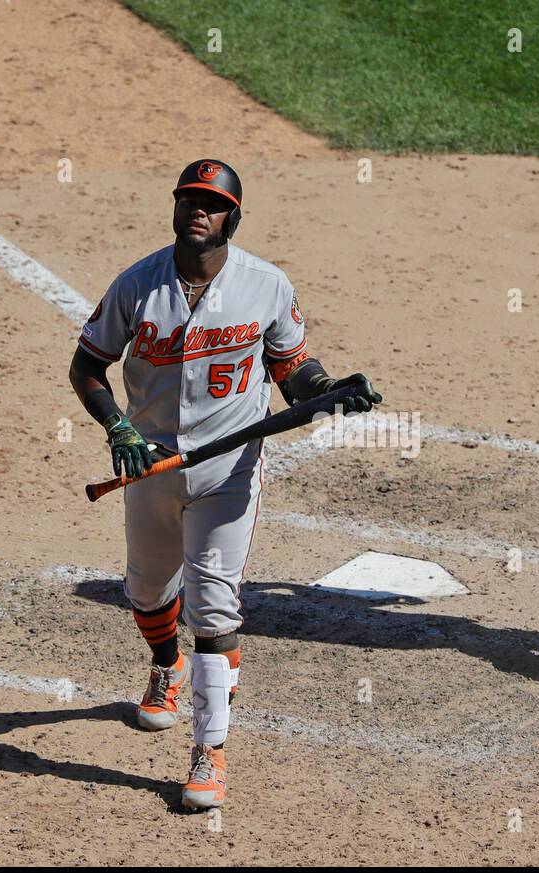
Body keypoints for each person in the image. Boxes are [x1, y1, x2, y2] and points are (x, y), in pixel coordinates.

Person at [68, 159, 382, 808]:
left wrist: (326, 391)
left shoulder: (265, 286)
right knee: (148, 593)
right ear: (176, 208)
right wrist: (117, 428)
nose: (198, 211)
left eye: (212, 203)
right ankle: (165, 667)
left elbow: (293, 369)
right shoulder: (138, 286)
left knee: (215, 609)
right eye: (189, 199)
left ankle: (209, 750)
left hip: (230, 474)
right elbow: (87, 366)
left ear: (233, 217)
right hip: (150, 466)